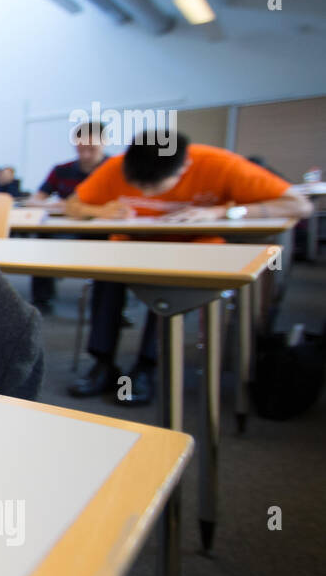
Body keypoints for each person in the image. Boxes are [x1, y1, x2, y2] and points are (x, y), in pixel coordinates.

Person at [66, 133, 312, 405]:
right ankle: (103, 362)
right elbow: (72, 204)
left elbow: (299, 206)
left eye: (155, 186)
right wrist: (103, 212)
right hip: (130, 247)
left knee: (168, 287)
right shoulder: (117, 166)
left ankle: (147, 366)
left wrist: (222, 212)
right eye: (138, 185)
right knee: (106, 276)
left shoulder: (221, 165)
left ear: (184, 167)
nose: (146, 193)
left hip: (193, 250)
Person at [30, 121, 108, 313]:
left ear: (104, 143)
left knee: (111, 248)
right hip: (67, 226)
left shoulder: (114, 168)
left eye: (92, 148)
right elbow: (35, 200)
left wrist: (85, 209)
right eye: (81, 148)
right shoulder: (62, 170)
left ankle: (110, 308)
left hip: (103, 229)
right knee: (43, 240)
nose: (86, 155)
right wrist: (54, 204)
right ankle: (42, 300)